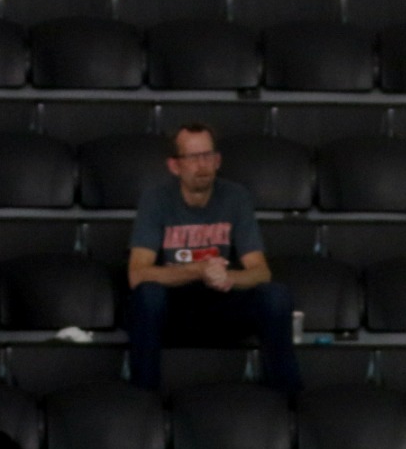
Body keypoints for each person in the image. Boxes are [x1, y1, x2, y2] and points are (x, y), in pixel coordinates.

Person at [126, 122, 301, 393]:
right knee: (147, 296)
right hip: (175, 309)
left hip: (221, 304)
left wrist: (228, 277)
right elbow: (137, 273)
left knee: (276, 296)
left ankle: (287, 401)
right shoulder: (156, 199)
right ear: (175, 166)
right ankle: (144, 399)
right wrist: (198, 270)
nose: (202, 165)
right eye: (193, 158)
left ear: (218, 161)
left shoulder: (236, 197)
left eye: (208, 156)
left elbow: (260, 272)